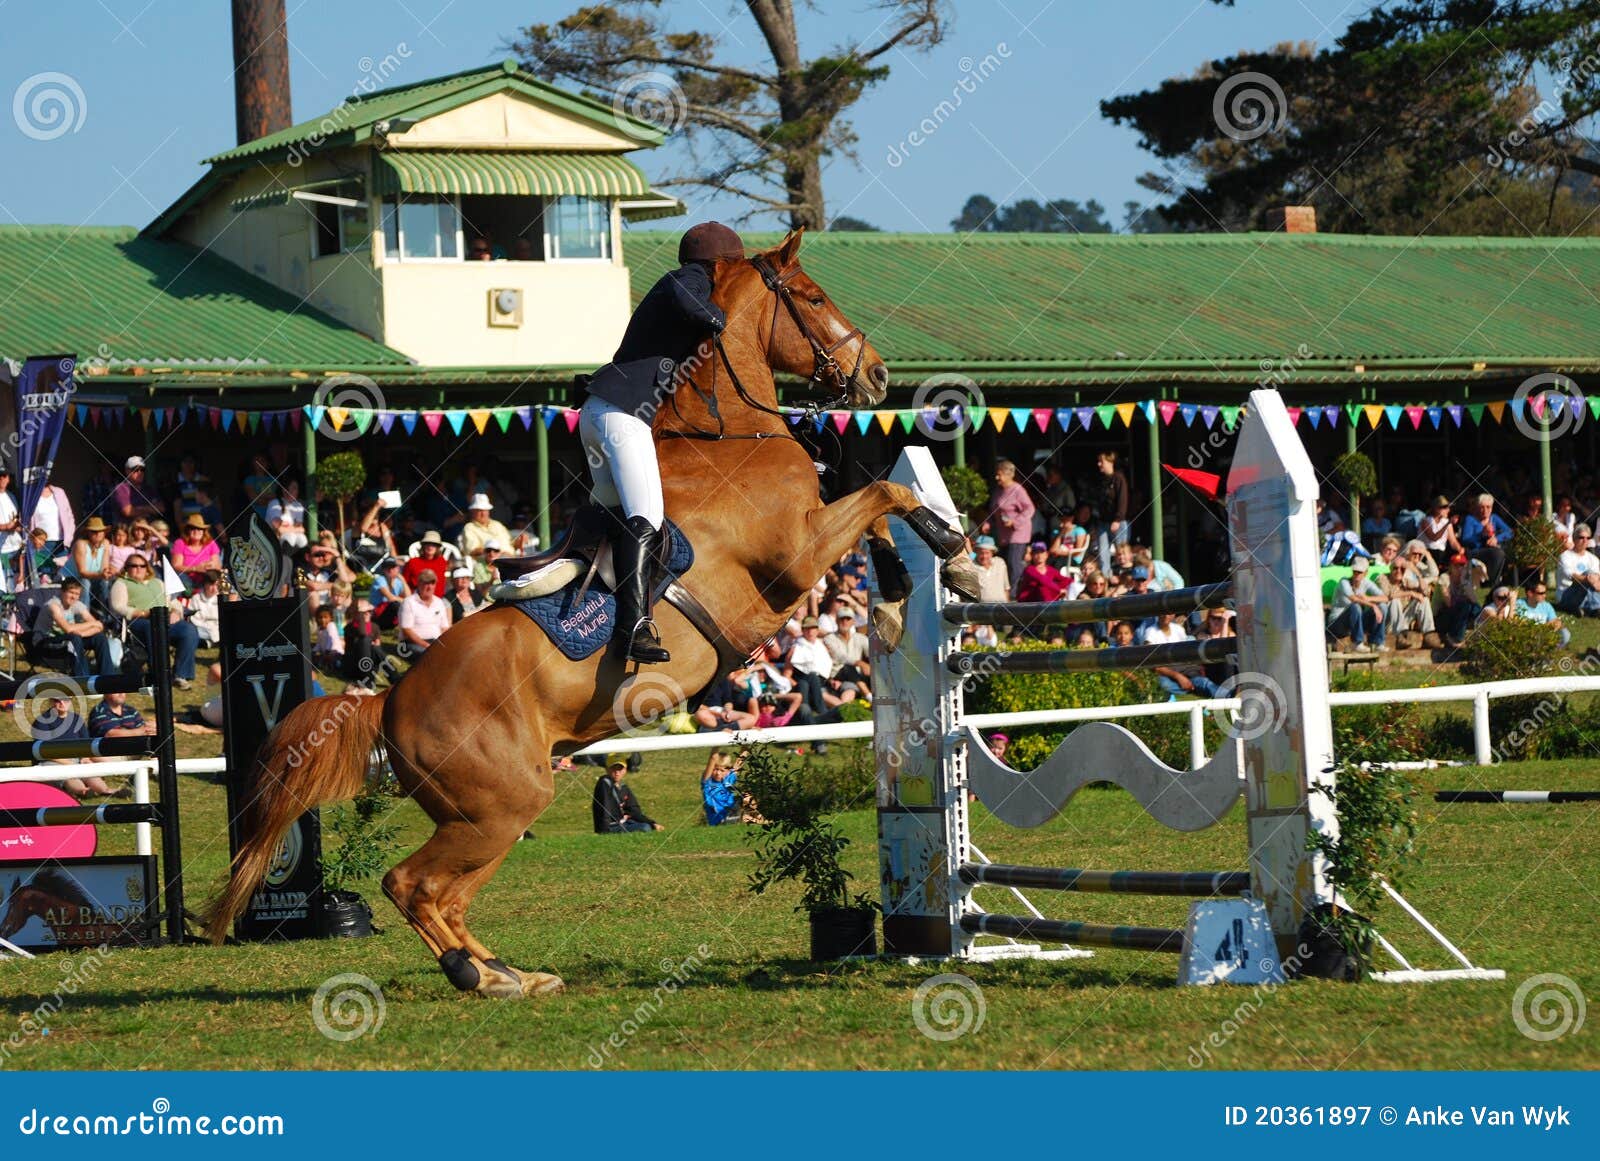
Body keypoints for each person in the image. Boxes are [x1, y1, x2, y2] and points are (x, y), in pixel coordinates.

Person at [579, 221, 740, 664]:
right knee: (645, 517)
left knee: (613, 515)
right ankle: (634, 627)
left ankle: (581, 600)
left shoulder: (679, 282)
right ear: (719, 264)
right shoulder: (692, 278)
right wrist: (719, 320)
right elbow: (689, 300)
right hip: (621, 415)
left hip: (600, 411)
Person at [111, 553, 199, 688]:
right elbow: (117, 606)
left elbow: (173, 601)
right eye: (134, 566)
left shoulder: (157, 582)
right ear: (127, 568)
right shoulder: (121, 583)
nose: (138, 569)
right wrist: (139, 612)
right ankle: (159, 674)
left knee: (189, 630)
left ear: (147, 568)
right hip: (139, 622)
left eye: (142, 566)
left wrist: (176, 612)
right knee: (151, 628)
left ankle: (180, 675)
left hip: (164, 618)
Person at [32, 695, 123, 799]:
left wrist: (85, 758)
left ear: (70, 701)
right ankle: (82, 791)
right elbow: (43, 751)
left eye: (65, 700)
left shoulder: (76, 719)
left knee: (91, 775)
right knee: (69, 777)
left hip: (76, 758)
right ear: (51, 702)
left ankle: (106, 791)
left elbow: (86, 743)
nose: (62, 703)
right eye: (57, 700)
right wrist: (68, 763)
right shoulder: (42, 721)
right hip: (53, 761)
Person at [35, 577, 114, 677]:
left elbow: (98, 627)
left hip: (68, 640)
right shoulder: (53, 606)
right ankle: (83, 680)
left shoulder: (76, 604)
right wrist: (92, 625)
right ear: (62, 592)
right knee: (74, 638)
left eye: (77, 594)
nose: (74, 597)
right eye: (71, 592)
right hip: (47, 642)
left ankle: (108, 678)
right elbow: (68, 629)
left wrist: (82, 633)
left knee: (99, 637)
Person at [979, 460, 1035, 597]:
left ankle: (1016, 595)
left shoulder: (1018, 490)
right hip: (1002, 535)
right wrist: (988, 523)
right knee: (1003, 564)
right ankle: (1005, 592)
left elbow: (1030, 509)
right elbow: (993, 512)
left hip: (1018, 534)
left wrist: (1015, 522)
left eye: (1000, 475)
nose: (997, 478)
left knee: (1013, 564)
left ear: (1009, 475)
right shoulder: (998, 491)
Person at [1376, 535, 1439, 648]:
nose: (1399, 571)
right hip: (1388, 622)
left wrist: (1420, 575)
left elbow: (1432, 576)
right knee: (1394, 601)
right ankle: (1399, 637)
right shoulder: (1382, 578)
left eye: (1402, 569)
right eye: (1395, 568)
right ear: (1391, 569)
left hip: (1403, 620)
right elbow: (1390, 596)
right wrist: (1412, 592)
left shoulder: (1407, 576)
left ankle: (1429, 634)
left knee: (1423, 600)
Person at [1326, 556, 1386, 652]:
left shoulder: (1367, 583)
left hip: (1355, 620)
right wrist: (1373, 605)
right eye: (1355, 571)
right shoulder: (1344, 582)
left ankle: (1377, 642)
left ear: (1366, 573)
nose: (1357, 574)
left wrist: (1368, 598)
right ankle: (1357, 643)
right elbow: (1353, 598)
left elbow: (1384, 598)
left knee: (1382, 606)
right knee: (1355, 606)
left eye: (1360, 572)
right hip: (1337, 622)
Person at [591, 761, 662, 833]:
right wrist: (604, 830)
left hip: (623, 823)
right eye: (613, 769)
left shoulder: (623, 787)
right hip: (611, 826)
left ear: (625, 770)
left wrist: (652, 823)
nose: (617, 772)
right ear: (607, 769)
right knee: (645, 828)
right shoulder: (604, 784)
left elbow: (634, 811)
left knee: (647, 825)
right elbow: (605, 809)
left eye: (620, 769)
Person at [396, 568, 452, 659]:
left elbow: (444, 628)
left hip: (435, 642)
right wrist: (426, 645)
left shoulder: (439, 602)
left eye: (432, 583)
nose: (429, 587)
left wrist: (442, 644)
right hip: (411, 643)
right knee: (432, 655)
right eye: (426, 583)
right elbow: (407, 631)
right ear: (418, 583)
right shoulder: (409, 602)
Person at [1090, 450, 1130, 572]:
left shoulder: (1118, 478)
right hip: (1103, 522)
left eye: (1101, 461)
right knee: (1102, 551)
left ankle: (1123, 574)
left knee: (1121, 551)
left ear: (1110, 462)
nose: (1099, 464)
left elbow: (1123, 500)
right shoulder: (1101, 480)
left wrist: (1117, 519)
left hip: (1117, 522)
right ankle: (1105, 576)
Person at [66, 516, 117, 613]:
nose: (98, 534)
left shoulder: (106, 543)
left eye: (100, 531)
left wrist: (108, 571)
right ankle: (83, 616)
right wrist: (101, 575)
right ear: (87, 533)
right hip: (71, 579)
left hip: (93, 577)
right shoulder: (80, 544)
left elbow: (104, 568)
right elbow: (82, 572)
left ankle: (107, 616)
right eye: (94, 531)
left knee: (105, 582)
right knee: (85, 582)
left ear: (104, 532)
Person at [1460, 493, 1511, 589]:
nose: (1485, 510)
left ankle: (1504, 581)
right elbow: (1465, 539)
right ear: (1477, 507)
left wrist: (1496, 538)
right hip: (1475, 551)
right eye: (1482, 507)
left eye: (1488, 507)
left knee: (1503, 551)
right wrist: (1481, 534)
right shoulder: (1470, 519)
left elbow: (1509, 532)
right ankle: (1490, 583)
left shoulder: (1494, 518)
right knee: (1498, 553)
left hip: (1492, 549)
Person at [458, 494, 511, 585]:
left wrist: (519, 542)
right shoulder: (469, 528)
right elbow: (472, 550)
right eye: (479, 510)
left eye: (485, 510)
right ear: (472, 512)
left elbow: (511, 544)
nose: (483, 513)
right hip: (487, 565)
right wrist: (496, 552)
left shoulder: (498, 525)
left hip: (511, 560)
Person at [343, 599, 388, 691]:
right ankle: (369, 681)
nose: (367, 613)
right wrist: (361, 619)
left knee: (374, 648)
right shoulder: (350, 628)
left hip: (371, 665)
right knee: (365, 640)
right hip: (355, 666)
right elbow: (362, 633)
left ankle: (393, 677)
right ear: (357, 614)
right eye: (363, 612)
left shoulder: (375, 627)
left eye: (369, 611)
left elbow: (377, 647)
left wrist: (372, 644)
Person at [1556, 524, 1600, 615]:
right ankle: (1596, 607)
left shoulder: (1593, 559)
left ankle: (1587, 609)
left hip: (1587, 595)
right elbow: (1571, 576)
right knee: (1589, 574)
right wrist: (1588, 579)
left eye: (1588, 538)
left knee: (1591, 576)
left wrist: (1593, 582)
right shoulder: (1565, 556)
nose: (1585, 541)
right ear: (1574, 539)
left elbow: (1597, 580)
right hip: (1566, 594)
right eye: (1581, 537)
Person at [1438, 553, 1481, 646]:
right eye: (1456, 566)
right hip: (1442, 615)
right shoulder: (1444, 578)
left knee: (1474, 607)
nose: (1459, 569)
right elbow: (1448, 602)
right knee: (1465, 605)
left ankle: (1483, 629)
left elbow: (1474, 600)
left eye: (1462, 566)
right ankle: (1456, 638)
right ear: (1450, 567)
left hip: (1459, 613)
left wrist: (1465, 584)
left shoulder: (1465, 580)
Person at [169, 513, 222, 585]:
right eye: (193, 528)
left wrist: (210, 565)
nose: (196, 531)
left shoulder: (210, 543)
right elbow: (176, 566)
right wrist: (195, 568)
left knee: (223, 578)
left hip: (208, 581)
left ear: (204, 531)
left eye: (200, 528)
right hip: (187, 582)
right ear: (188, 530)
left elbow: (217, 565)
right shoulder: (180, 543)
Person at [111, 456, 164, 523]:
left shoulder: (149, 489)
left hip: (148, 530)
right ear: (127, 471)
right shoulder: (121, 489)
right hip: (127, 531)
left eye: (142, 469)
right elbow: (128, 512)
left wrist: (140, 508)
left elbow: (161, 508)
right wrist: (149, 510)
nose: (140, 472)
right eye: (135, 469)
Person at [1517, 580, 1569, 647]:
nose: (1545, 596)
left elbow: (1555, 621)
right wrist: (1545, 627)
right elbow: (1520, 626)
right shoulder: (1519, 604)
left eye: (1545, 592)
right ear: (1530, 593)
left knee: (1566, 634)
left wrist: (1557, 623)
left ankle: (1553, 652)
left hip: (1543, 637)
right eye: (1541, 593)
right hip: (1526, 639)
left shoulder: (1546, 605)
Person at [1418, 495, 1462, 569]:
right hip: (1426, 553)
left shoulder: (1446, 522)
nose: (1448, 510)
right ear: (1436, 509)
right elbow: (1434, 537)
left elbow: (1453, 541)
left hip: (1440, 555)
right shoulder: (1425, 521)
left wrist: (1460, 549)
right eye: (1445, 508)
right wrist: (1448, 523)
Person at [701, 750, 742, 826]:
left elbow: (741, 759)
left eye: (722, 770)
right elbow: (713, 758)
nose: (718, 773)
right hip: (718, 821)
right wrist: (716, 745)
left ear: (728, 771)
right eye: (715, 769)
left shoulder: (729, 778)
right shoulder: (708, 782)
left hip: (732, 815)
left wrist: (745, 743)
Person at [370, 558, 410, 629]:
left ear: (398, 568)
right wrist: (405, 601)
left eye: (393, 568)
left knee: (404, 605)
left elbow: (409, 597)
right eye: (387, 568)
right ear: (383, 570)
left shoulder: (398, 582)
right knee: (396, 604)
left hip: (390, 615)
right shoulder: (380, 580)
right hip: (378, 615)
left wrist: (403, 580)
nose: (390, 570)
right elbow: (390, 598)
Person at [971, 536, 1010, 604]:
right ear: (976, 552)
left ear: (992, 553)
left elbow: (1006, 588)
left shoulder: (1000, 563)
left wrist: (1008, 607)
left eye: (987, 553)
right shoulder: (971, 566)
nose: (984, 556)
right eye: (981, 553)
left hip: (1002, 607)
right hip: (981, 609)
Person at [188, 571, 223, 646]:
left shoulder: (221, 599)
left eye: (216, 585)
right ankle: (211, 642)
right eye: (211, 585)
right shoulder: (196, 598)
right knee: (194, 631)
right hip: (202, 629)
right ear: (204, 584)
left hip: (218, 628)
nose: (214, 589)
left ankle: (210, 642)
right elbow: (193, 619)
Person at [312, 606, 344, 673]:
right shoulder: (319, 629)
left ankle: (338, 665)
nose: (323, 620)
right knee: (316, 657)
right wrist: (314, 651)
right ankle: (323, 664)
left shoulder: (331, 626)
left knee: (332, 658)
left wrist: (327, 651)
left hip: (335, 652)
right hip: (325, 653)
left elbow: (331, 640)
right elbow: (318, 643)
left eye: (325, 617)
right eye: (320, 617)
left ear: (331, 618)